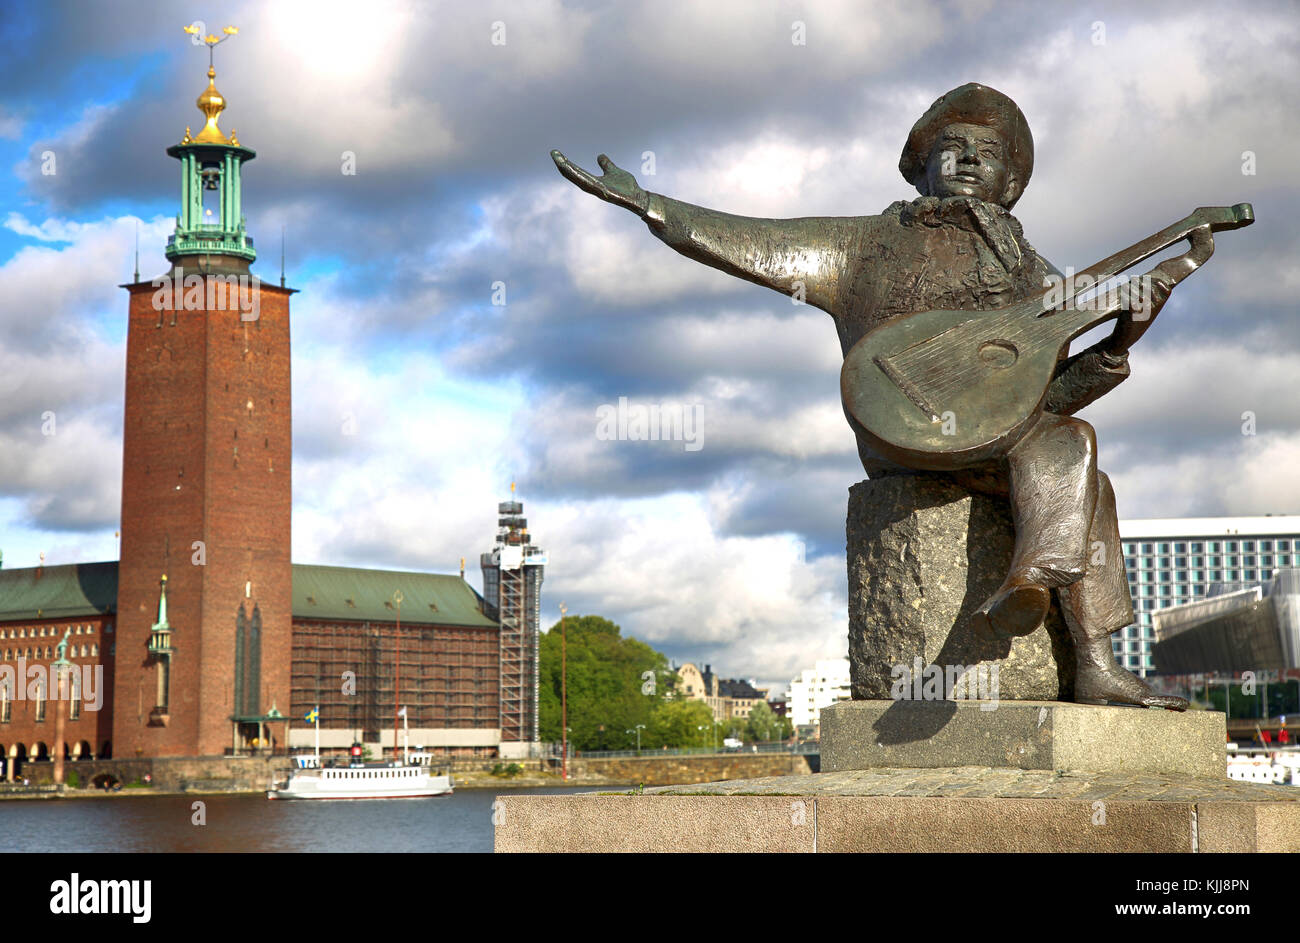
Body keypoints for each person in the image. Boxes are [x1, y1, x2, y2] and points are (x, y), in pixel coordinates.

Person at [554, 83, 1190, 709]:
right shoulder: (862, 246)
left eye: (988, 153)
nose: (969, 158)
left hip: (993, 446)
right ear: (920, 167)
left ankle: (1089, 655)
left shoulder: (1037, 277)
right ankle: (1059, 611)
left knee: (1085, 469)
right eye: (953, 145)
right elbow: (751, 241)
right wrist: (651, 207)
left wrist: (1120, 340)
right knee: (1074, 452)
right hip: (899, 438)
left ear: (1010, 183)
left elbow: (1043, 402)